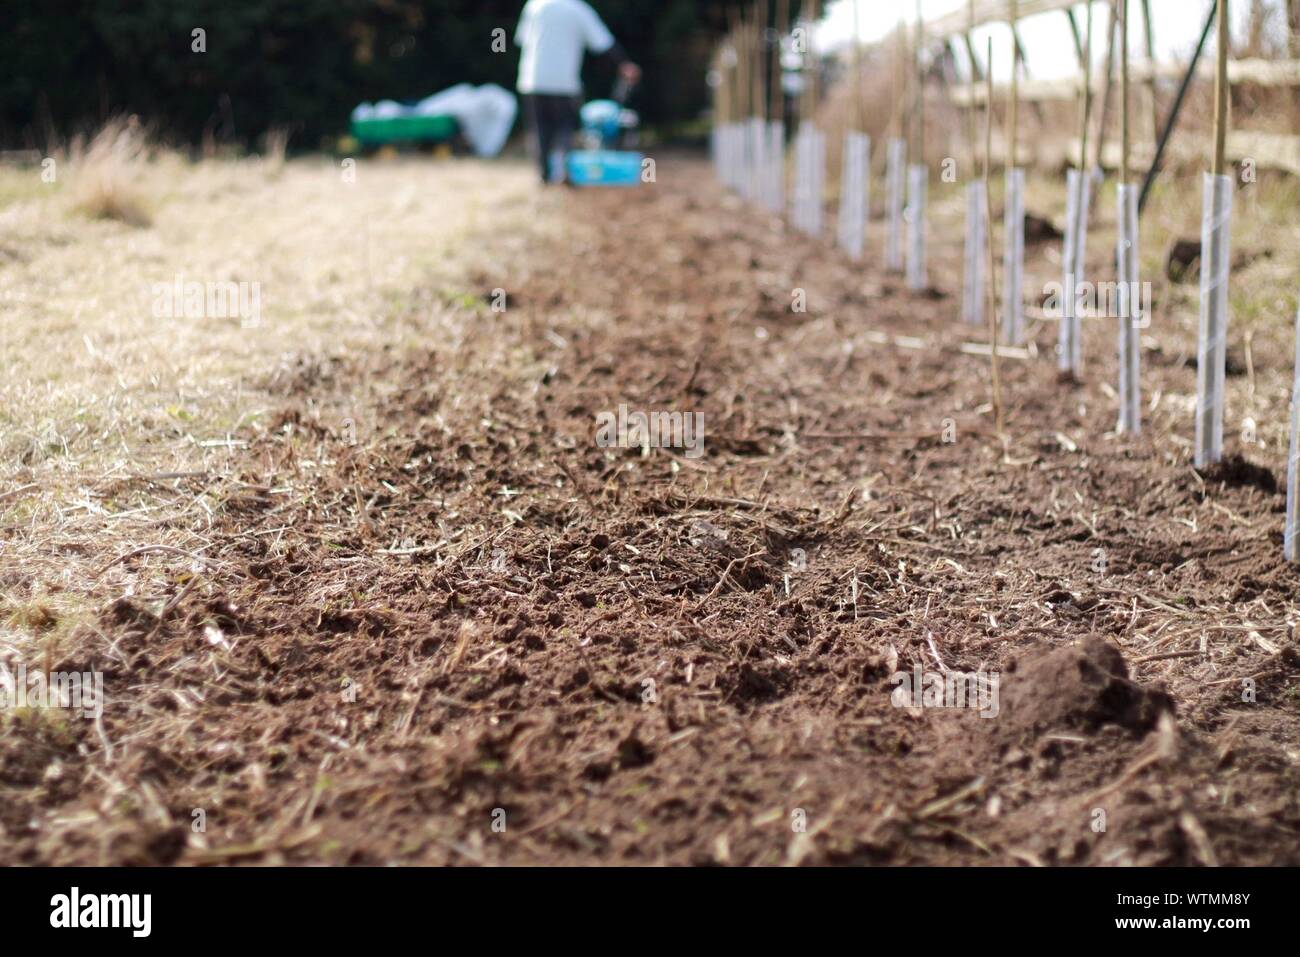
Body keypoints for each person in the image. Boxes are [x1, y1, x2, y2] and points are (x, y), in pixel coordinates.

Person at [515, 0, 641, 184]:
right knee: (566, 127)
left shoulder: (534, 5)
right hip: (564, 81)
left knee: (540, 129)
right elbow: (603, 42)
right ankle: (565, 172)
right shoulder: (578, 9)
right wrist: (623, 64)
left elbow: (522, 39)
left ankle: (543, 176)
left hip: (532, 79)